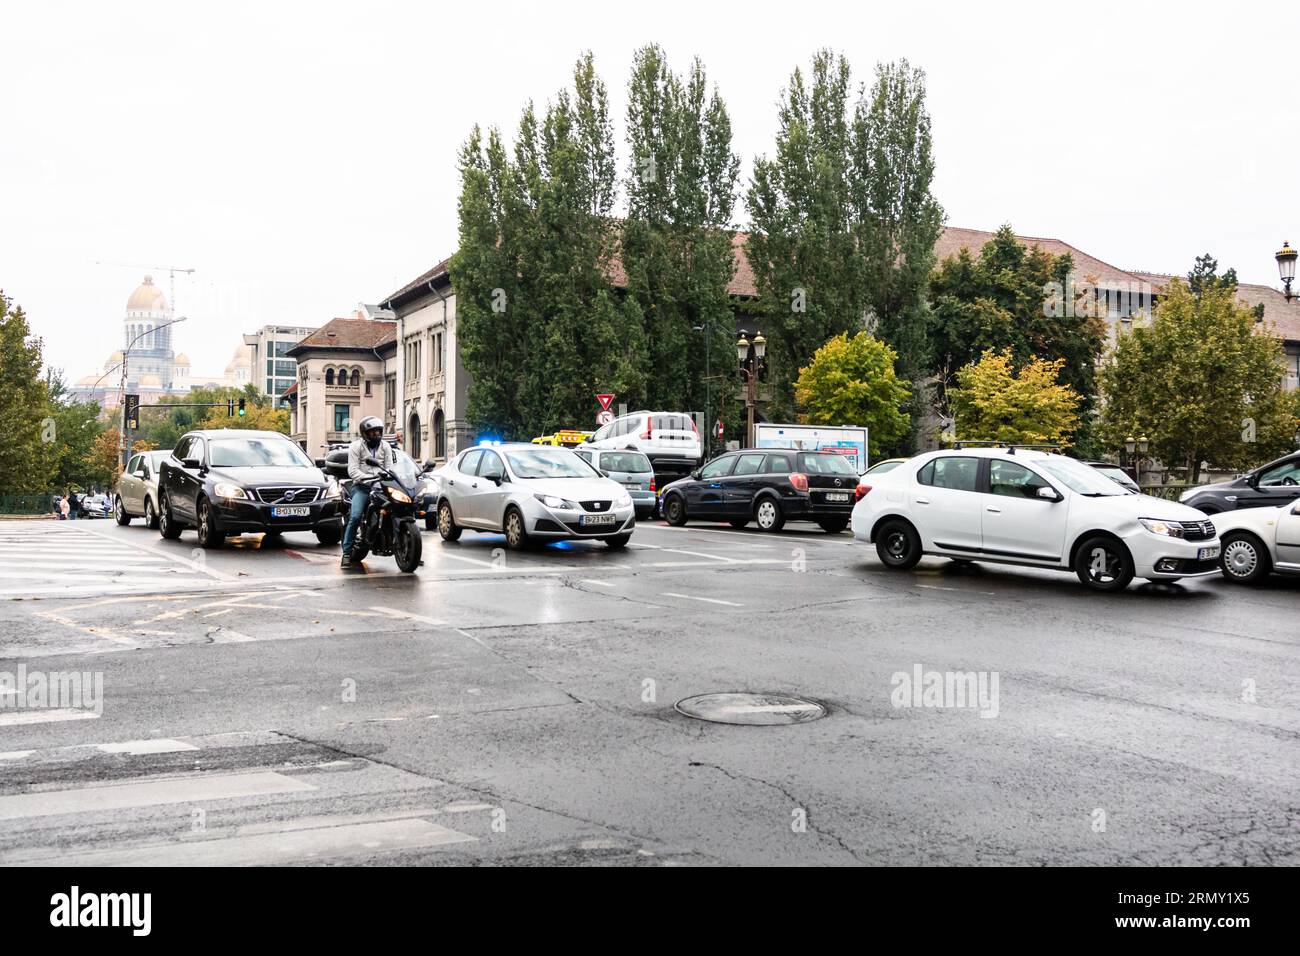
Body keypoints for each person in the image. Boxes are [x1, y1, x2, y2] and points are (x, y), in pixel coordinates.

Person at [341, 416, 395, 569]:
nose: (376, 435)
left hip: (381, 486)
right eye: (372, 433)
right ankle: (346, 553)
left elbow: (389, 467)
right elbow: (352, 470)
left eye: (378, 432)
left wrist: (387, 475)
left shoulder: (386, 446)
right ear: (365, 434)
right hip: (362, 487)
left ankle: (403, 546)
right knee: (356, 516)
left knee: (398, 508)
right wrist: (368, 478)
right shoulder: (355, 447)